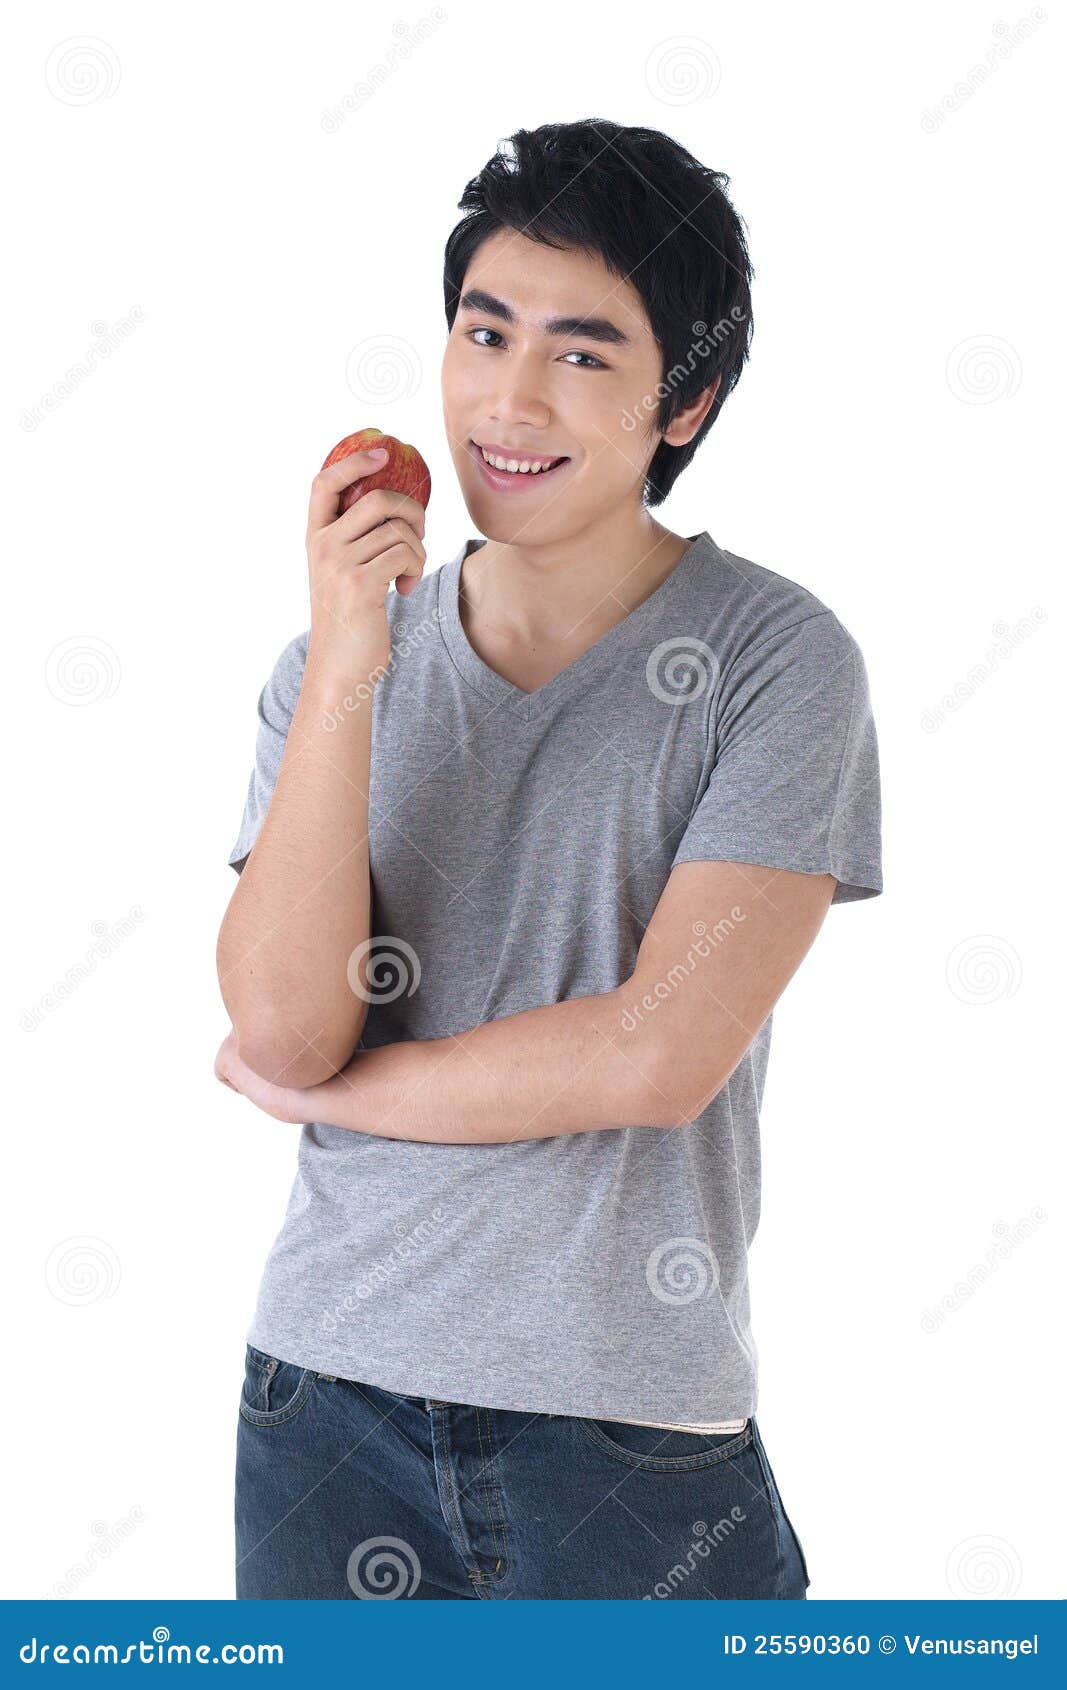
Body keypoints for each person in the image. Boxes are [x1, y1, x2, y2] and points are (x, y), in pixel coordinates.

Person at [215, 118, 883, 1601]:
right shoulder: (326, 667)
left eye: (583, 353)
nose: (509, 399)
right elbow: (282, 1026)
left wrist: (338, 1096)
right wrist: (346, 669)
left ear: (685, 400)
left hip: (625, 1435)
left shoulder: (776, 662)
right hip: (322, 1400)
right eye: (483, 332)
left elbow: (655, 1054)